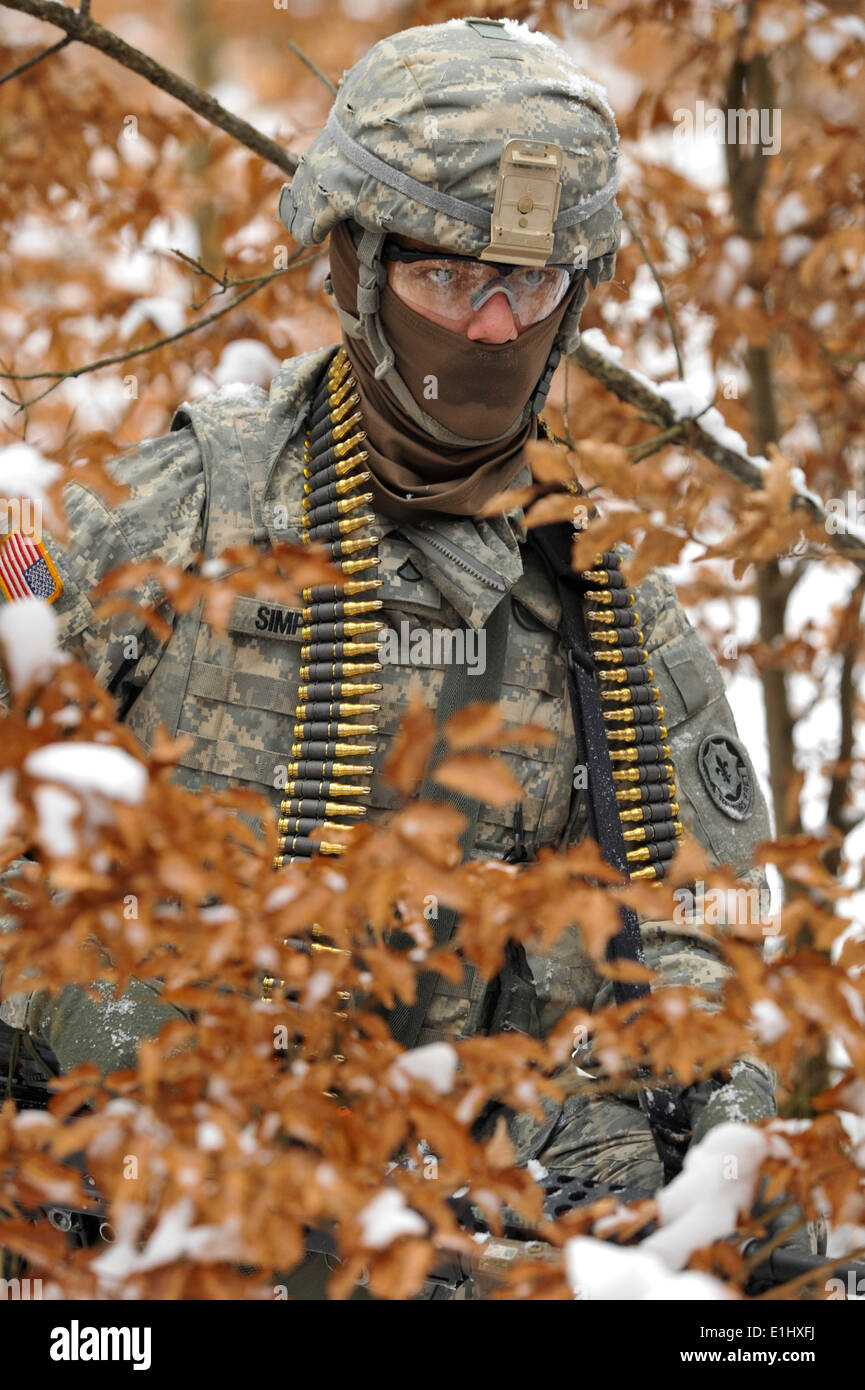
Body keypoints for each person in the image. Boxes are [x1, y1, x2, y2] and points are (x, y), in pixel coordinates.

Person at [0, 17, 812, 1294]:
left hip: (499, 1199)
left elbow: (707, 913)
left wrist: (726, 1104)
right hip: (169, 1183)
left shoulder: (610, 592)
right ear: (352, 265)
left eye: (528, 285)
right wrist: (86, 1004)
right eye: (446, 277)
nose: (490, 329)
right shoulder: (156, 519)